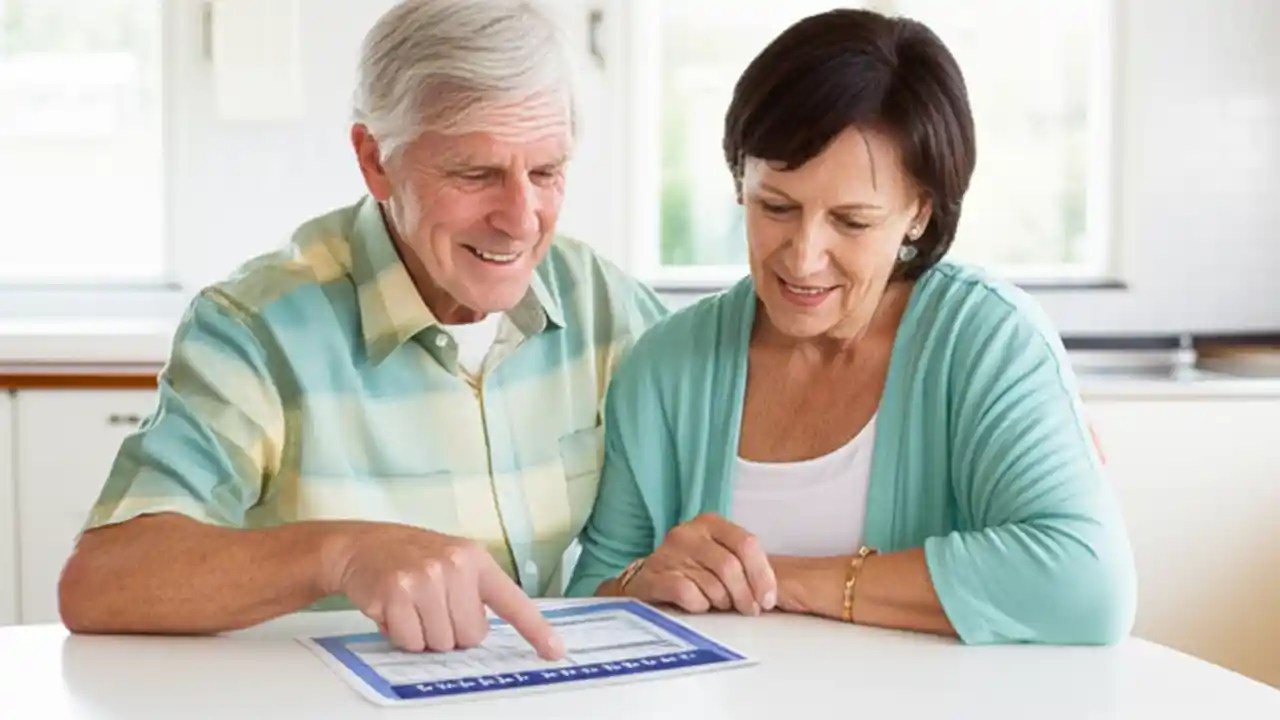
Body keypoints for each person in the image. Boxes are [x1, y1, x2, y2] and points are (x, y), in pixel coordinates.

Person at [57, 0, 666, 659]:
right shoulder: (259, 331)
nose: (521, 220)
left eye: (546, 172)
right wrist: (344, 552)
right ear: (375, 159)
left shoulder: (605, 306)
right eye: (475, 174)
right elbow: (103, 582)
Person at [568, 8, 1136, 645]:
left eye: (853, 221)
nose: (804, 256)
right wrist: (641, 581)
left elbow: (1088, 585)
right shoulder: (665, 367)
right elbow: (589, 596)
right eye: (776, 206)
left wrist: (781, 581)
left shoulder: (984, 344)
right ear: (740, 182)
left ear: (918, 213)